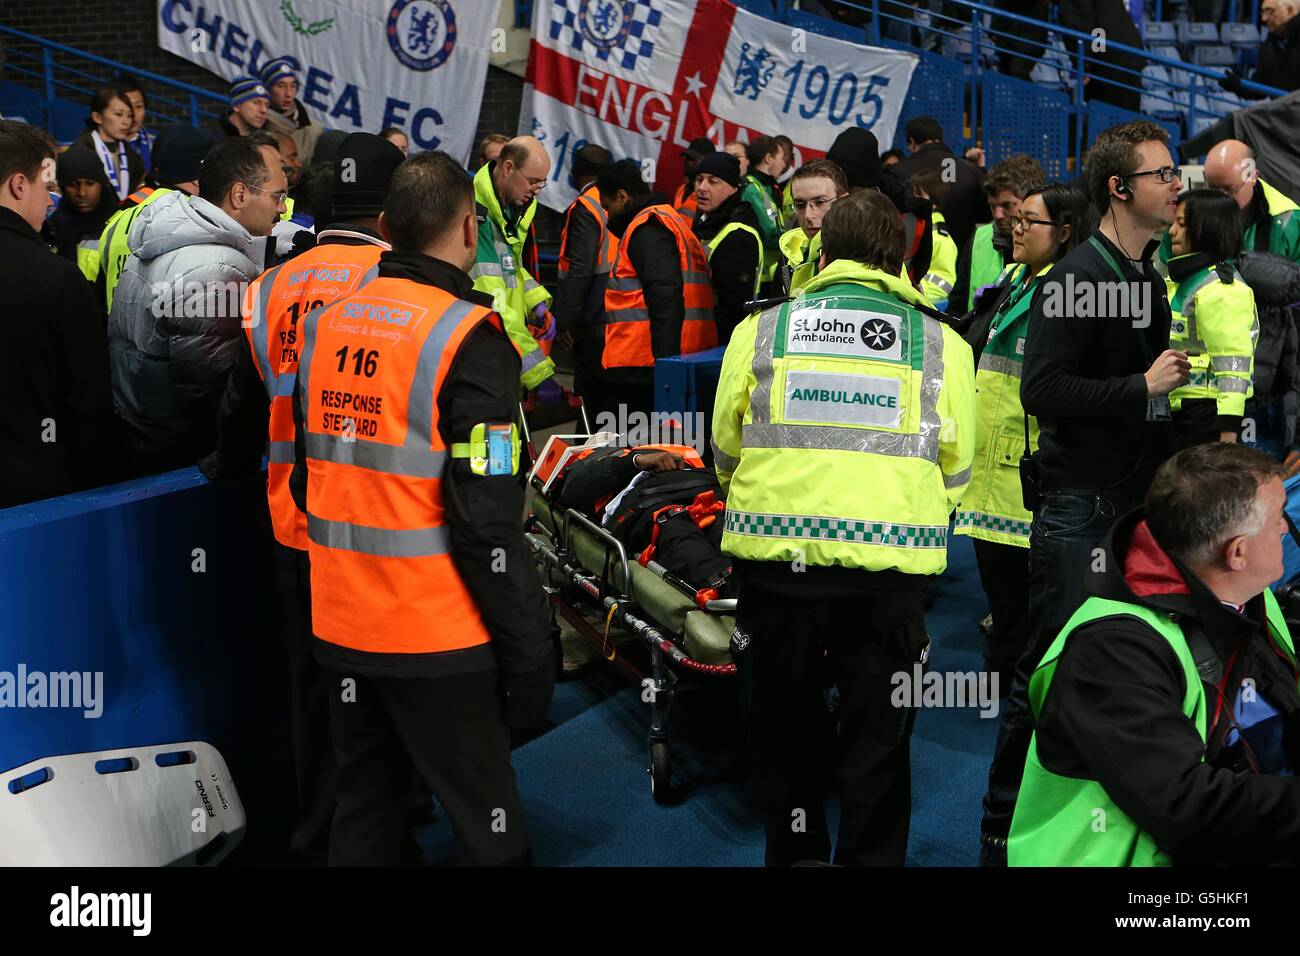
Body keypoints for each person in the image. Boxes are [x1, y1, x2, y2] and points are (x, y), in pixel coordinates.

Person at [292, 150, 555, 866]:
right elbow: (489, 515)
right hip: (437, 633)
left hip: (340, 622)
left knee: (367, 813)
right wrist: (531, 647)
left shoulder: (325, 327)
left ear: (384, 226)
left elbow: (302, 475)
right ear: (470, 228)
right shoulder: (468, 337)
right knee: (488, 823)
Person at [712, 190, 976, 866]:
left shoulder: (762, 328)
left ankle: (796, 857)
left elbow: (726, 444)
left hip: (776, 562)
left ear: (822, 251)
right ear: (900, 254)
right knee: (878, 740)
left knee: (782, 728)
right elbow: (957, 466)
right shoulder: (941, 340)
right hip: (888, 573)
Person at [979, 120, 1188, 865]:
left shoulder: (1143, 276)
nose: (1176, 185)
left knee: (1114, 671)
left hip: (1133, 505)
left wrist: (1172, 416)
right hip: (1081, 509)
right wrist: (1143, 386)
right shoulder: (1078, 277)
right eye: (1162, 174)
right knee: (1048, 670)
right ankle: (1001, 830)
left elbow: (1144, 397)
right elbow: (1043, 389)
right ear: (1118, 187)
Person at [201, 132, 404, 863]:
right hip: (387, 535)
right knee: (394, 701)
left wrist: (225, 470)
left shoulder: (269, 288)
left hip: (296, 533)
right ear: (390, 207)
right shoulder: (399, 281)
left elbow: (242, 406)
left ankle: (316, 838)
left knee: (314, 707)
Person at [1009, 443, 1300, 866]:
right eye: (1278, 520)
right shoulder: (1112, 653)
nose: (1286, 531)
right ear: (1236, 552)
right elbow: (1188, 810)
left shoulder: (1246, 595)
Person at [954, 183, 1091, 694]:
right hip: (993, 464)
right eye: (1017, 218)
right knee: (1004, 595)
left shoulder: (1068, 293)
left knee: (1025, 600)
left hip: (1028, 469)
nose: (1015, 226)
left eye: (1029, 221)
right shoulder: (1017, 278)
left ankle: (1024, 702)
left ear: (1064, 232)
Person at [108, 137, 286, 476]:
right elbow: (211, 392)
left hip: (139, 434)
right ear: (239, 195)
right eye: (277, 196)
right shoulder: (218, 270)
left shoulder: (165, 240)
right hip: (183, 456)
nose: (282, 208)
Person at [0, 120, 116, 509]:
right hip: (36, 492)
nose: (52, 200)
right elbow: (87, 403)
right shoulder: (56, 278)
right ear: (19, 185)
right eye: (47, 187)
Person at [599, 159, 716, 421]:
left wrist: (666, 367)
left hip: (644, 368)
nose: (608, 216)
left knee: (635, 454)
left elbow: (665, 297)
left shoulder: (647, 228)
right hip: (683, 359)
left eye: (608, 207)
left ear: (622, 196)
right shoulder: (673, 223)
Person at [555, 444, 729, 590]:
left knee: (722, 524)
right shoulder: (592, 459)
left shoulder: (677, 445)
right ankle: (727, 585)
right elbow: (570, 492)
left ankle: (745, 582)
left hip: (704, 490)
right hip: (649, 504)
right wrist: (636, 461)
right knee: (673, 526)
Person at [1165, 189, 1259, 449]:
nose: (1172, 231)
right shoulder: (1183, 280)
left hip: (1208, 421)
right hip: (1180, 416)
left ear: (1207, 229)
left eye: (1182, 224)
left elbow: (1234, 365)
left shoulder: (1223, 290)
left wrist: (1227, 436)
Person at [97, 124, 217, 312]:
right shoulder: (196, 221)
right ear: (198, 175)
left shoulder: (120, 216)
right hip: (164, 338)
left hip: (116, 335)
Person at [470, 135, 557, 392]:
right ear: (508, 168)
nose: (536, 190)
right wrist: (538, 373)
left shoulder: (506, 208)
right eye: (532, 181)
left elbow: (510, 267)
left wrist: (536, 303)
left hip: (505, 352)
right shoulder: (477, 217)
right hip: (485, 357)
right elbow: (490, 302)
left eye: (542, 183)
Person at [553, 143, 614, 420]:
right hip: (615, 314)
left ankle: (585, 459)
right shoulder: (616, 201)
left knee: (589, 400)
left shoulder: (586, 207)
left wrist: (566, 319)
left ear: (576, 173)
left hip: (591, 320)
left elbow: (580, 268)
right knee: (607, 403)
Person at [951, 154, 1045, 315]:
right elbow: (958, 304)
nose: (998, 215)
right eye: (993, 206)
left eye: (1007, 206)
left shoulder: (1053, 245)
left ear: (1032, 201)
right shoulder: (978, 239)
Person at [691, 152, 763, 344]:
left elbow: (733, 308)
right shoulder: (706, 222)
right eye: (699, 180)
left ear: (733, 189)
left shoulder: (738, 236)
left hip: (722, 344)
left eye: (714, 182)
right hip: (703, 336)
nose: (702, 188)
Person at [890, 116, 986, 248]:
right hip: (962, 257)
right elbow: (985, 215)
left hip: (914, 257)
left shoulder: (897, 172)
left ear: (912, 142)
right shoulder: (971, 170)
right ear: (939, 138)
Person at [1203, 140, 1300, 264]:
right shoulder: (1197, 213)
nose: (1221, 198)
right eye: (1213, 189)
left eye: (1230, 189)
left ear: (1253, 177)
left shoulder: (1290, 223)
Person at [42, 146, 117, 282]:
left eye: (90, 184)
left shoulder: (119, 226)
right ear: (63, 188)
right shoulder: (49, 228)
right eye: (72, 184)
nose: (81, 193)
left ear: (102, 184)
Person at [1056, 0, 1145, 112]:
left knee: (1111, 117)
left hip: (1112, 58)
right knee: (1127, 117)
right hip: (1129, 50)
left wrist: (1084, 64)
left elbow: (1081, 26)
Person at [778, 158, 848, 294]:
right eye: (799, 205)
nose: (809, 216)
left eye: (820, 202)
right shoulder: (789, 251)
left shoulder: (871, 254)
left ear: (844, 201)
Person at [74, 86, 143, 203]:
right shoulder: (78, 154)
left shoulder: (133, 157)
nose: (126, 122)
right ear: (97, 117)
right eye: (118, 114)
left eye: (129, 115)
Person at [1222, 0, 1300, 99]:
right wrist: (1238, 85)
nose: (1264, 18)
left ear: (1290, 11)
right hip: (1283, 110)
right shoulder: (1268, 47)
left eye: (1270, 11)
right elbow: (1261, 87)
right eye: (1262, 12)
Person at [907, 168, 961, 310]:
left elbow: (945, 282)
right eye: (911, 193)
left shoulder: (941, 238)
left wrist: (918, 289)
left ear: (934, 202)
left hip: (928, 305)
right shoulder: (916, 227)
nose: (912, 198)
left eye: (918, 194)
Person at [740, 135, 787, 281]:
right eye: (781, 158)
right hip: (758, 273)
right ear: (768, 159)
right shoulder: (753, 188)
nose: (784, 165)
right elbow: (770, 233)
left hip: (767, 272)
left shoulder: (766, 188)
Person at [260, 57, 313, 130]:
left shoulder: (311, 130)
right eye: (281, 86)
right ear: (267, 90)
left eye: (293, 86)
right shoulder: (249, 124)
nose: (289, 94)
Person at [673, 137, 713, 220]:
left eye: (692, 158)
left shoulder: (710, 196)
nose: (687, 161)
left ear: (707, 162)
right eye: (686, 157)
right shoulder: (681, 190)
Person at [120, 81, 155, 174]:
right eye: (127, 106)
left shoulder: (156, 146)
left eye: (138, 106)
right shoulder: (95, 147)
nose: (133, 114)